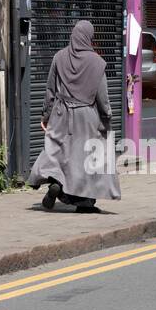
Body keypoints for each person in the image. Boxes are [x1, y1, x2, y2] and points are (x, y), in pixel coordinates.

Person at [28, 20, 121, 213]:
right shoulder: (97, 62)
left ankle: (57, 183)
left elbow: (50, 89)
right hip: (86, 117)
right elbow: (102, 97)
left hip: (61, 113)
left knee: (59, 153)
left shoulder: (59, 57)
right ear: (90, 38)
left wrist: (45, 116)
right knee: (86, 159)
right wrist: (107, 117)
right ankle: (84, 202)